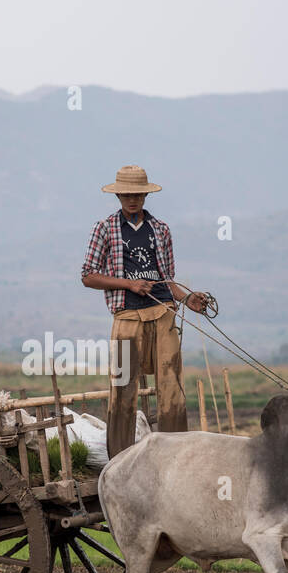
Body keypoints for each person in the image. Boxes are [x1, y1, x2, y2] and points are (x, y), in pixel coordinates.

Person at [80, 165, 209, 458]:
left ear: (145, 195)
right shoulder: (105, 228)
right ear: (119, 196)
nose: (132, 199)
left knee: (172, 386)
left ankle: (176, 457)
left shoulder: (160, 230)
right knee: (123, 387)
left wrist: (188, 299)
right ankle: (120, 459)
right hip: (126, 317)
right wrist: (129, 284)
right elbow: (88, 275)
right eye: (127, 194)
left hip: (162, 313)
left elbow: (169, 281)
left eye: (137, 194)